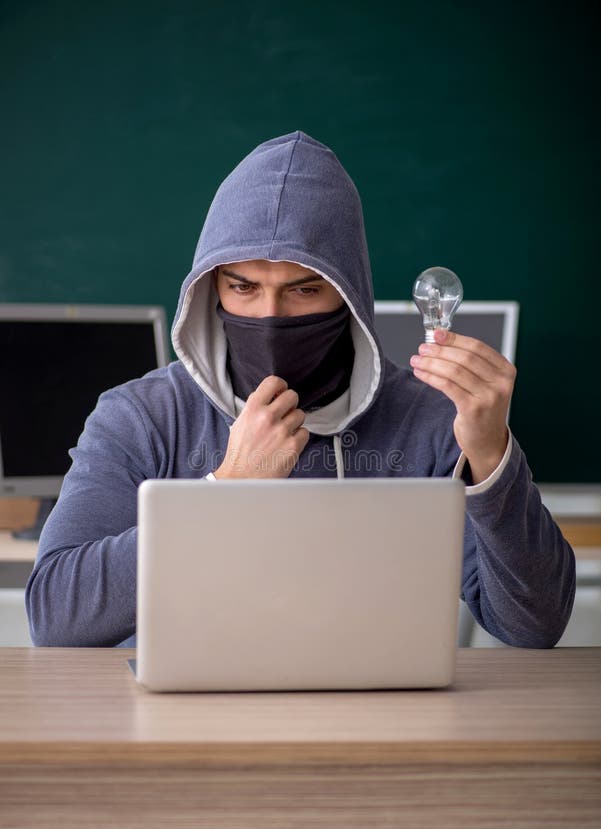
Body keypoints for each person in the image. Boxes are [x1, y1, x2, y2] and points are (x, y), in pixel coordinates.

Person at [25, 131, 575, 649]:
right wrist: (227, 492)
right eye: (243, 287)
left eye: (304, 290)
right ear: (210, 287)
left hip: (377, 726)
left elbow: (533, 626)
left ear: (348, 294)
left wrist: (490, 454)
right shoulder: (141, 416)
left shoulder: (431, 420)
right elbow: (55, 616)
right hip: (179, 730)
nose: (269, 316)